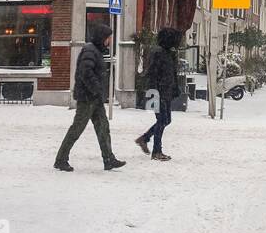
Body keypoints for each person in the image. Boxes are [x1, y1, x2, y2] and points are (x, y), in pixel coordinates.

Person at [54, 23, 125, 172]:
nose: (110, 41)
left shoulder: (95, 51)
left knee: (103, 127)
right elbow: (85, 72)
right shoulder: (90, 51)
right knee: (77, 129)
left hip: (94, 98)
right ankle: (61, 159)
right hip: (87, 98)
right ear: (103, 38)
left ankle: (108, 159)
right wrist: (96, 89)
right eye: (109, 38)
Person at [136, 27, 182, 162]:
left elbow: (172, 74)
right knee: (162, 120)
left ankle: (144, 139)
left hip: (166, 92)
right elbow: (152, 74)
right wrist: (154, 93)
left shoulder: (169, 54)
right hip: (157, 92)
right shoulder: (158, 53)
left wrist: (175, 88)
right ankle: (156, 151)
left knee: (166, 120)